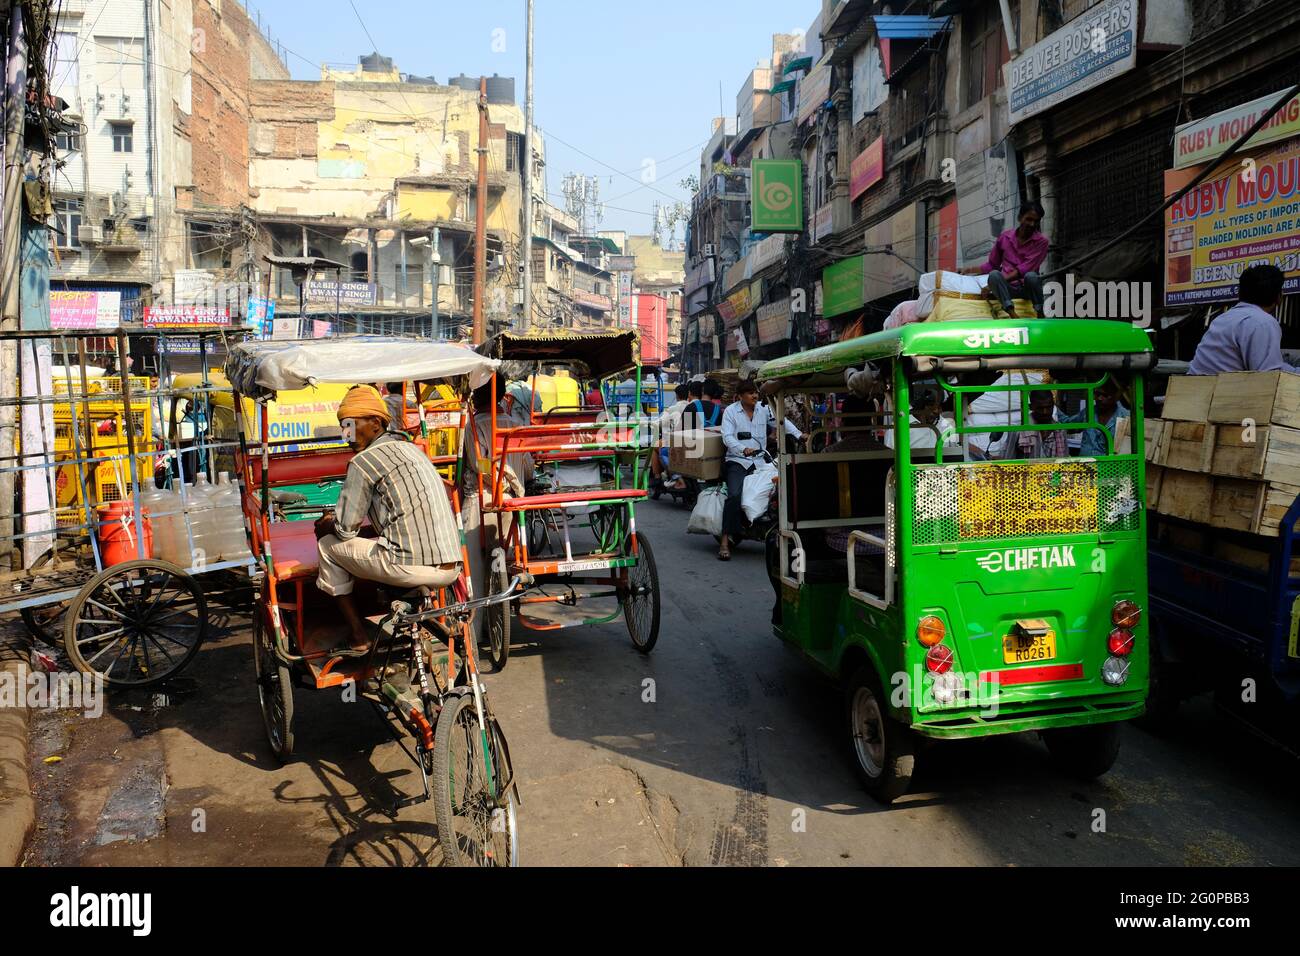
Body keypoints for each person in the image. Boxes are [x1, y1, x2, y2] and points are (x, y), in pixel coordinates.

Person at [314, 386, 463, 650]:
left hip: (407, 565)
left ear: (375, 423)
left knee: (327, 545)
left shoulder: (364, 461)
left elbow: (346, 530)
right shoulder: (412, 450)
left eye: (350, 425)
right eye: (342, 427)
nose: (346, 434)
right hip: (452, 565)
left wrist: (328, 525)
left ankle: (358, 635)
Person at [718, 380, 803, 561]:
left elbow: (781, 420)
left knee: (784, 487)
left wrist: (799, 434)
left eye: (755, 392)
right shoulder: (731, 412)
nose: (755, 396)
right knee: (734, 495)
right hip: (738, 461)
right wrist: (742, 448)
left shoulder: (763, 409)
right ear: (740, 396)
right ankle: (725, 541)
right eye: (750, 393)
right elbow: (726, 437)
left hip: (760, 461)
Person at [1188, 264, 1295, 374]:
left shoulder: (1224, 317)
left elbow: (1271, 366)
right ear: (1278, 297)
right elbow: (1269, 375)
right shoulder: (1263, 322)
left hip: (1196, 385)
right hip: (1222, 389)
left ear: (1241, 293)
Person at [965, 200, 1049, 318]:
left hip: (1027, 288)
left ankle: (1040, 313)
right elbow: (992, 265)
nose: (1032, 224)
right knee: (994, 274)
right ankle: (1012, 313)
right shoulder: (1005, 237)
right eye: (1029, 219)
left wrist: (990, 286)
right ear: (1020, 218)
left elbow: (1023, 270)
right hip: (1008, 289)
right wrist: (968, 270)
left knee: (1031, 276)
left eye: (1036, 221)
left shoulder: (1042, 242)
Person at [1061, 377, 1129, 457]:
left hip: (1111, 467)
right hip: (1086, 466)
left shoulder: (1126, 417)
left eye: (1105, 395)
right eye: (1097, 394)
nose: (1099, 398)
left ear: (1117, 395)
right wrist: (1053, 410)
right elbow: (1069, 425)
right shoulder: (1089, 412)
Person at [1000, 389, 1069, 459]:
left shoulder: (1060, 430)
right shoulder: (1018, 431)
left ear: (1053, 406)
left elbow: (1065, 460)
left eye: (1048, 407)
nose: (1045, 412)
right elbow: (1008, 460)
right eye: (1040, 408)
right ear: (1031, 407)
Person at [651, 383, 690, 483]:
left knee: (655, 446)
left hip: (674, 442)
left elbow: (657, 423)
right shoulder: (693, 407)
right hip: (692, 442)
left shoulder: (672, 409)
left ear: (676, 396)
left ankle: (657, 477)